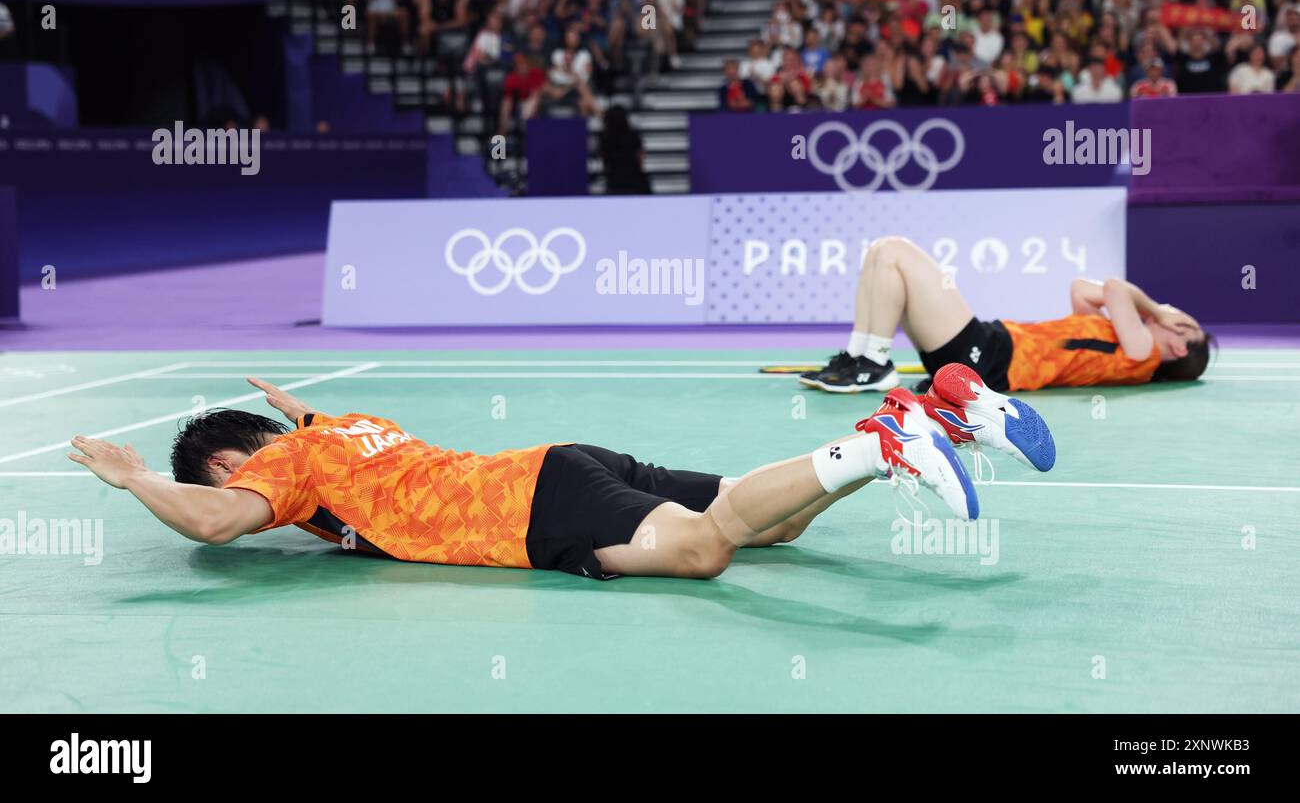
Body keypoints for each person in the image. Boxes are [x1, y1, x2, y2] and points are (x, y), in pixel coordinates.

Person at [65, 373, 997, 582]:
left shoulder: (284, 461)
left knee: (707, 548)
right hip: (563, 460)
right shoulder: (345, 429)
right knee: (776, 524)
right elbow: (314, 436)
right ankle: (923, 415)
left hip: (528, 508)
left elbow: (219, 521)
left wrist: (140, 476)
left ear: (236, 458)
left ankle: (882, 447)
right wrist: (297, 411)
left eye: (230, 470)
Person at [800, 236, 1214, 399]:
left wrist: (1156, 309)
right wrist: (1155, 311)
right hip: (988, 351)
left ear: (1178, 346)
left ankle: (872, 363)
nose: (1175, 312)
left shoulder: (1141, 354)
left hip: (993, 356)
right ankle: (862, 358)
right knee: (881, 255)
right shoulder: (1115, 339)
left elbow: (1114, 288)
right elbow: (1081, 290)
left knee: (892, 252)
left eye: (1183, 321)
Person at [599, 103, 650, 194]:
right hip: (635, 179)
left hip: (615, 182)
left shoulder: (606, 138)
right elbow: (641, 155)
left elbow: (604, 160)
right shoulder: (633, 135)